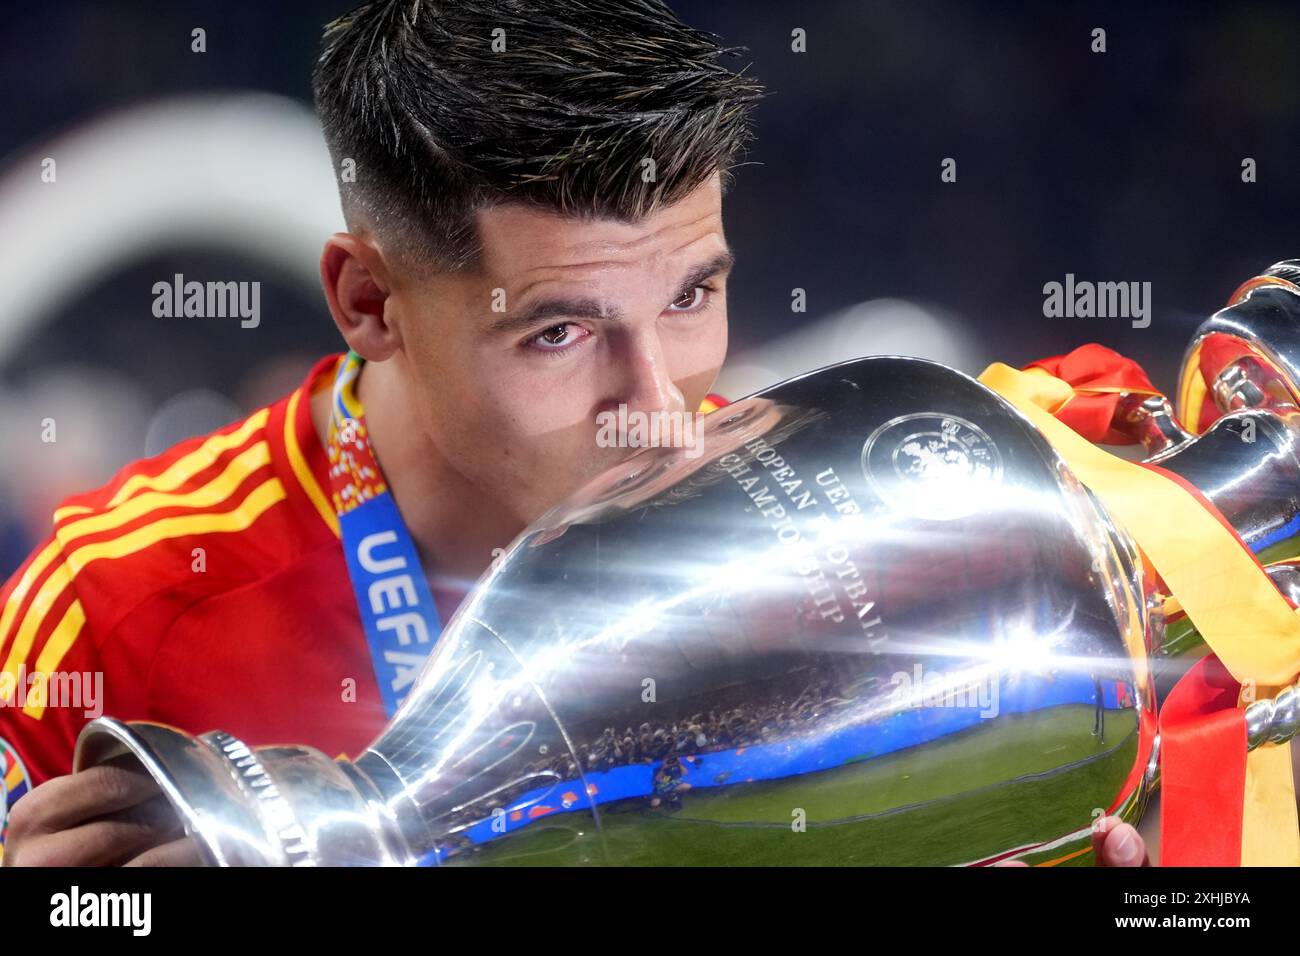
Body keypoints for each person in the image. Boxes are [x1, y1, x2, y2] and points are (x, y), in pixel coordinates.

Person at [0, 0, 759, 867]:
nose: (662, 412)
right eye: (559, 333)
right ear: (368, 301)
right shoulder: (107, 610)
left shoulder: (812, 522)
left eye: (689, 297)